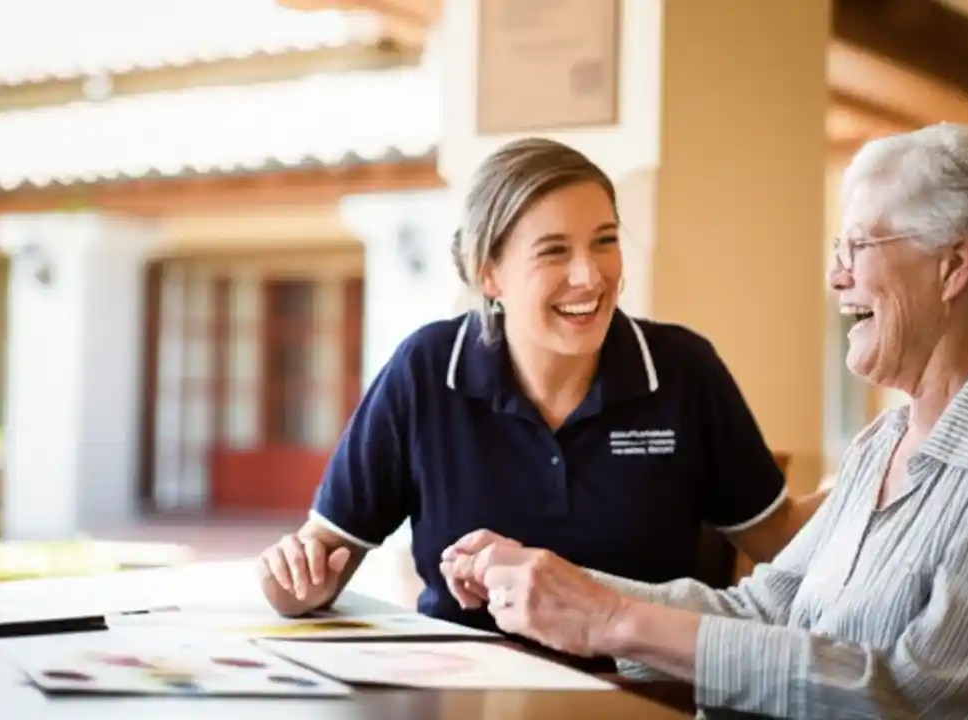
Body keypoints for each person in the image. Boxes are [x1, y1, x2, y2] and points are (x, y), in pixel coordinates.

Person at [440, 124, 968, 718]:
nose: (836, 277)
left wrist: (611, 621)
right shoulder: (884, 442)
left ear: (953, 265)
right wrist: (564, 589)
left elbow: (917, 699)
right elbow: (766, 611)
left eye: (857, 248)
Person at [256, 138, 826, 646]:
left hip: (638, 696)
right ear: (489, 273)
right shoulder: (426, 370)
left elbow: (780, 538)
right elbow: (324, 553)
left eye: (605, 241)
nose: (590, 275)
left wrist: (894, 466)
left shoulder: (683, 369)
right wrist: (294, 584)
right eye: (554, 251)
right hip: (464, 696)